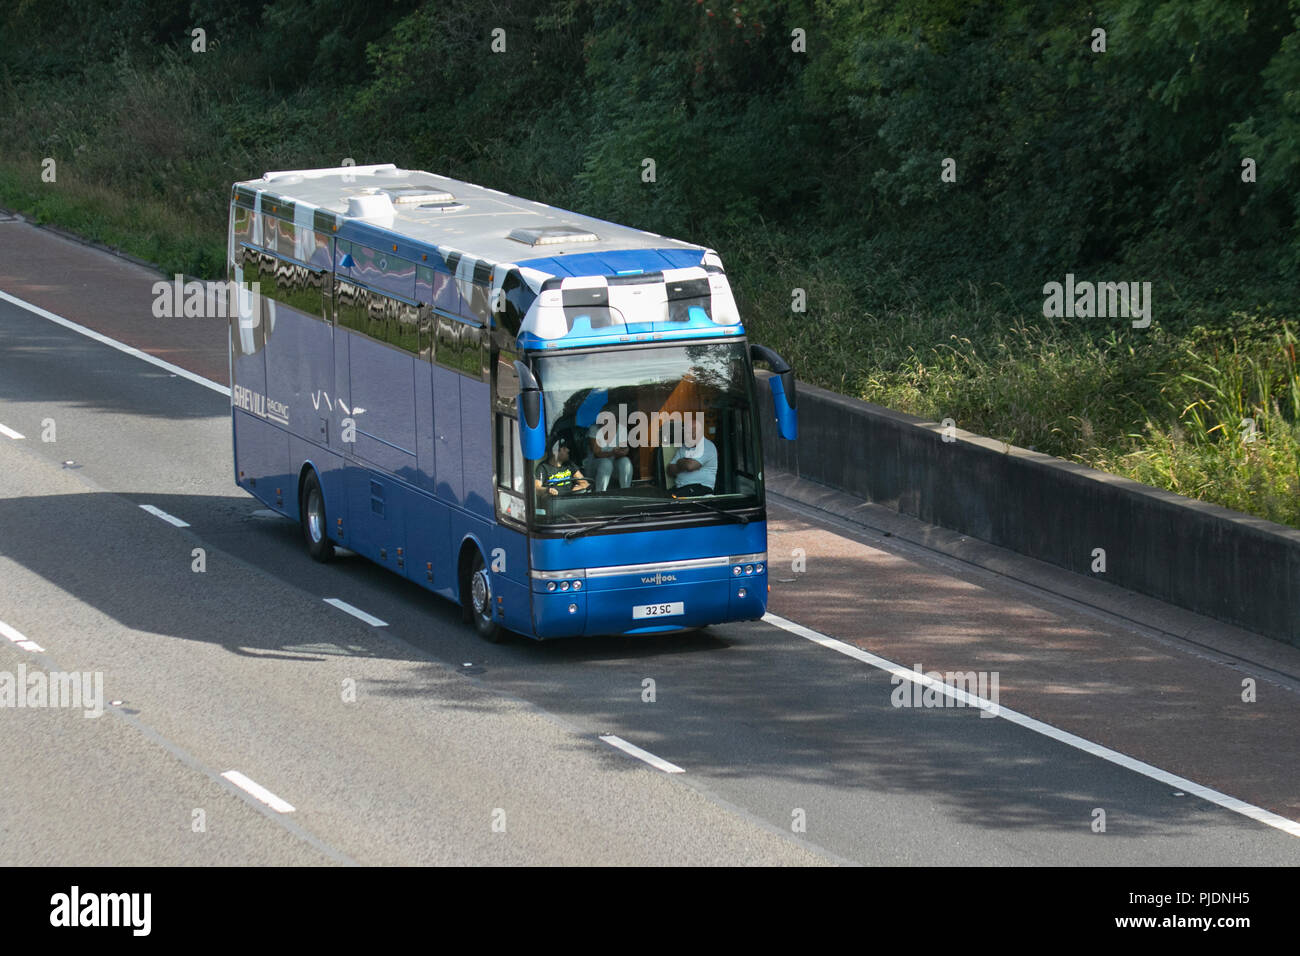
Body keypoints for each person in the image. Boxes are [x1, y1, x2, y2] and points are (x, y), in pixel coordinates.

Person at [666, 414, 717, 497]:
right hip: (681, 488)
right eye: (685, 433)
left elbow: (690, 466)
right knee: (661, 498)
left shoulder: (707, 446)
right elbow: (670, 470)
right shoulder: (684, 447)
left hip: (701, 488)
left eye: (690, 433)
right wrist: (684, 463)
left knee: (671, 501)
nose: (686, 436)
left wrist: (679, 462)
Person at [585, 406, 633, 491]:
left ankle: (626, 491)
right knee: (606, 463)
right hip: (595, 466)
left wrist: (624, 451)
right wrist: (613, 452)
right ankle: (600, 493)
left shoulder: (621, 429)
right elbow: (597, 453)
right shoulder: (594, 429)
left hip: (613, 464)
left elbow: (624, 449)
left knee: (626, 462)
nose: (604, 421)